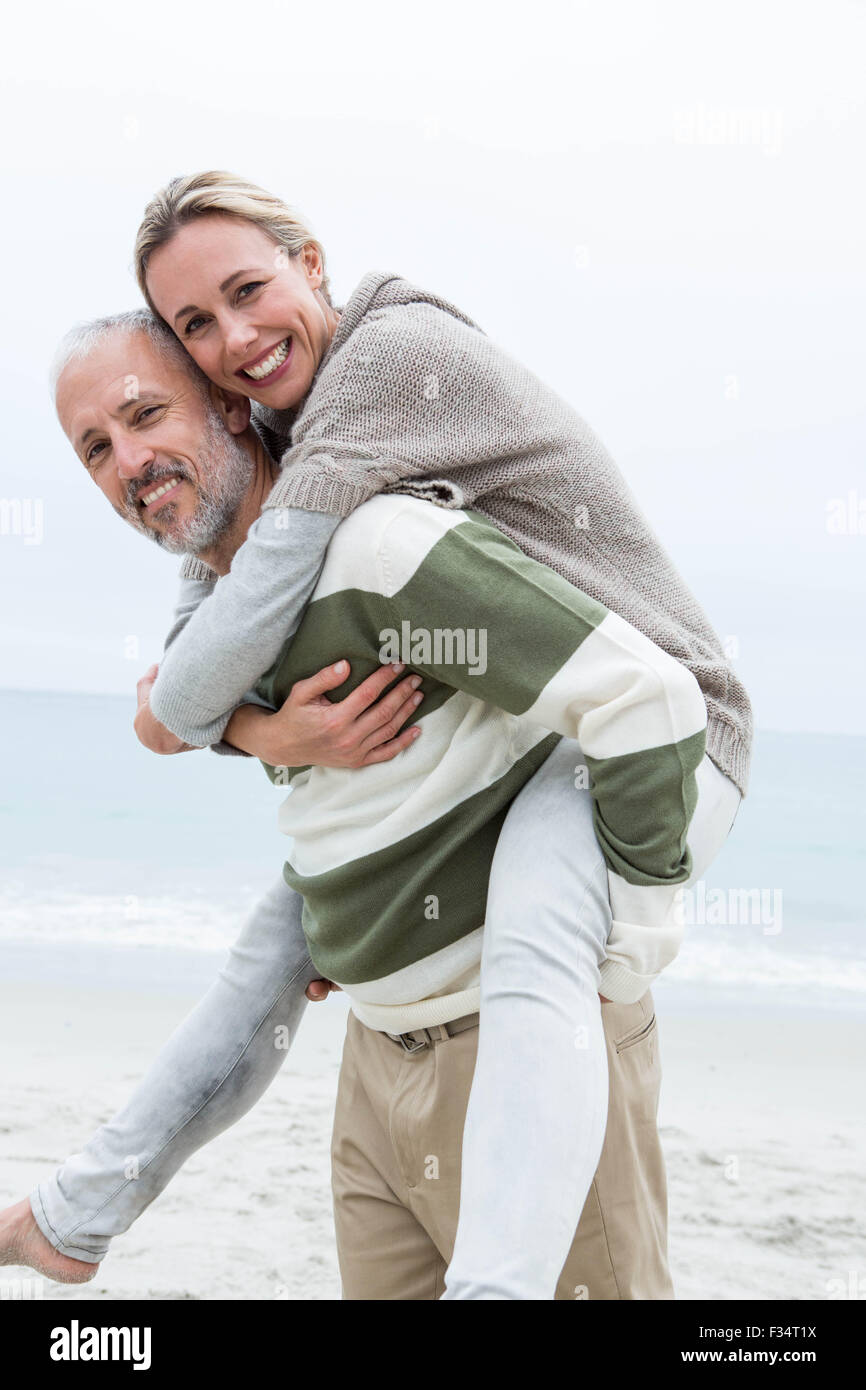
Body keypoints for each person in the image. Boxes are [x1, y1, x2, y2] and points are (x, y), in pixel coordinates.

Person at [2, 164, 750, 1294]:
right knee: (283, 932)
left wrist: (631, 937)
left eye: (146, 411)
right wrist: (255, 735)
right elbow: (219, 609)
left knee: (552, 915)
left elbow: (642, 702)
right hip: (382, 1076)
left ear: (312, 266)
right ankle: (78, 1212)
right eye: (197, 325)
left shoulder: (378, 423)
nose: (236, 337)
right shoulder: (285, 511)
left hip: (657, 729)